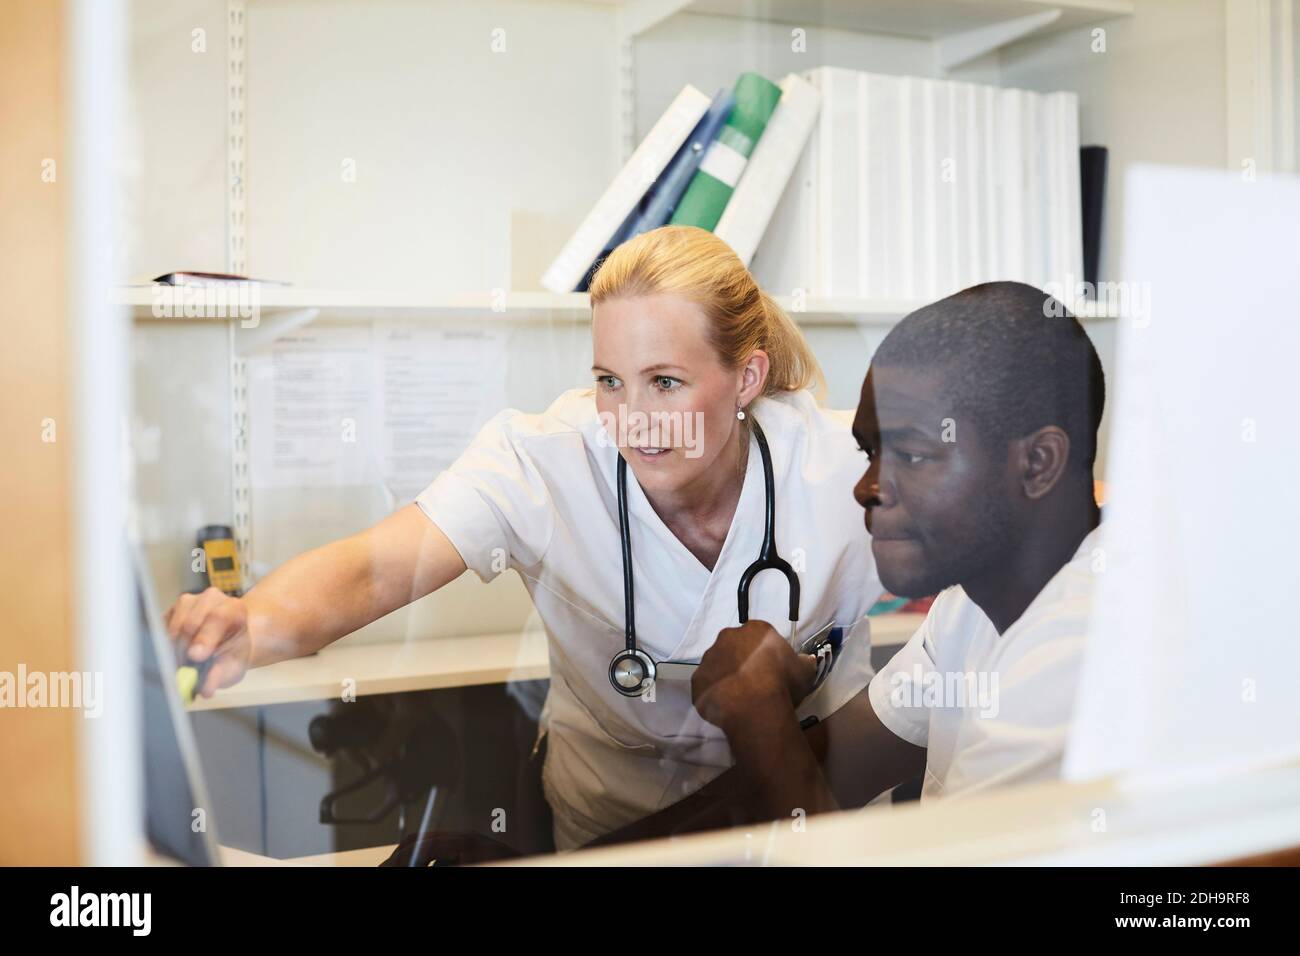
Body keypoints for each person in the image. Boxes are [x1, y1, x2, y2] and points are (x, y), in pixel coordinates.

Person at [164, 225, 884, 852]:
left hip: (811, 825)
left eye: (665, 382)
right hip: (611, 830)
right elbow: (377, 568)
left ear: (746, 377)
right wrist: (250, 622)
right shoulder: (541, 460)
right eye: (609, 380)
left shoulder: (847, 471)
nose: (629, 419)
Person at [685, 281, 1105, 826]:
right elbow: (838, 769)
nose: (868, 487)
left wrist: (759, 714)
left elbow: (798, 812)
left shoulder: (1079, 651)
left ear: (1038, 462)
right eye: (871, 452)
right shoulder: (975, 602)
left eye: (911, 453)